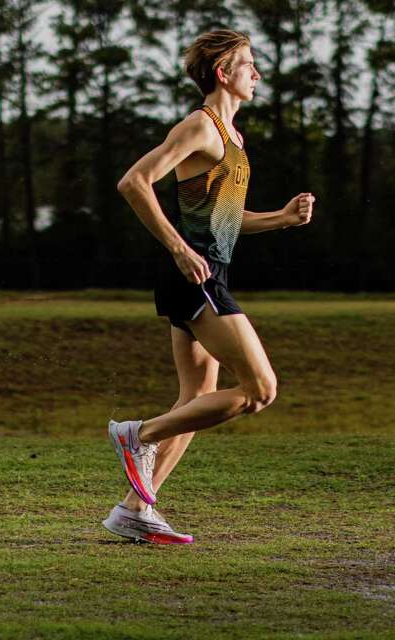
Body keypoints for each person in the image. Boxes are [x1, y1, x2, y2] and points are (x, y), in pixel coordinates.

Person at [104, 28, 315, 544]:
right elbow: (134, 182)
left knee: (196, 400)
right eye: (248, 64)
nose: (256, 73)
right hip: (193, 276)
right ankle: (139, 435)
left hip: (205, 273)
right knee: (260, 390)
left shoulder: (232, 138)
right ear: (223, 73)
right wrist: (178, 248)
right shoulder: (201, 126)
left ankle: (134, 509)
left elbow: (224, 219)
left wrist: (281, 219)